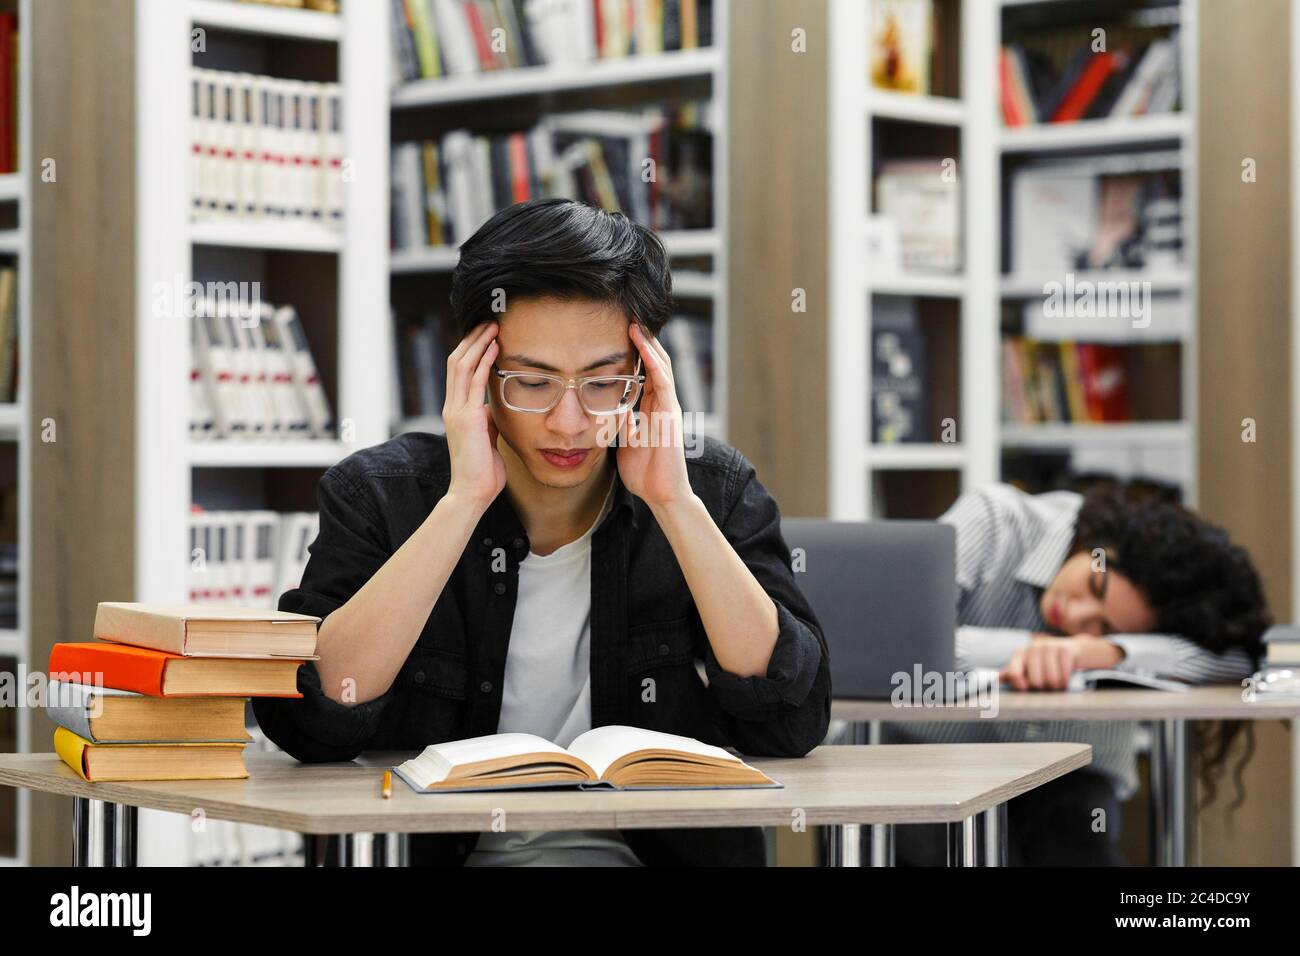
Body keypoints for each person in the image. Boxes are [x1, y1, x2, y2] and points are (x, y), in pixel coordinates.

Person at [252, 198, 831, 866]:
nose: (568, 421)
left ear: (645, 378)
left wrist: (674, 503)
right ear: (475, 371)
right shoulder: (382, 496)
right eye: (531, 382)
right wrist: (464, 500)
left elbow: (792, 721)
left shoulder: (713, 490)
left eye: (603, 382)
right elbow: (311, 724)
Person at [887, 481, 1271, 866]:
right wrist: (1028, 650)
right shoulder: (993, 520)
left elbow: (1239, 662)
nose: (1075, 616)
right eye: (1094, 584)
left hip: (1070, 775)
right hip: (926, 759)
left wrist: (1112, 652)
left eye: (1105, 627)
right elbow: (893, 638)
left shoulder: (1149, 620)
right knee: (949, 844)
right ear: (1094, 539)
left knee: (1077, 840)